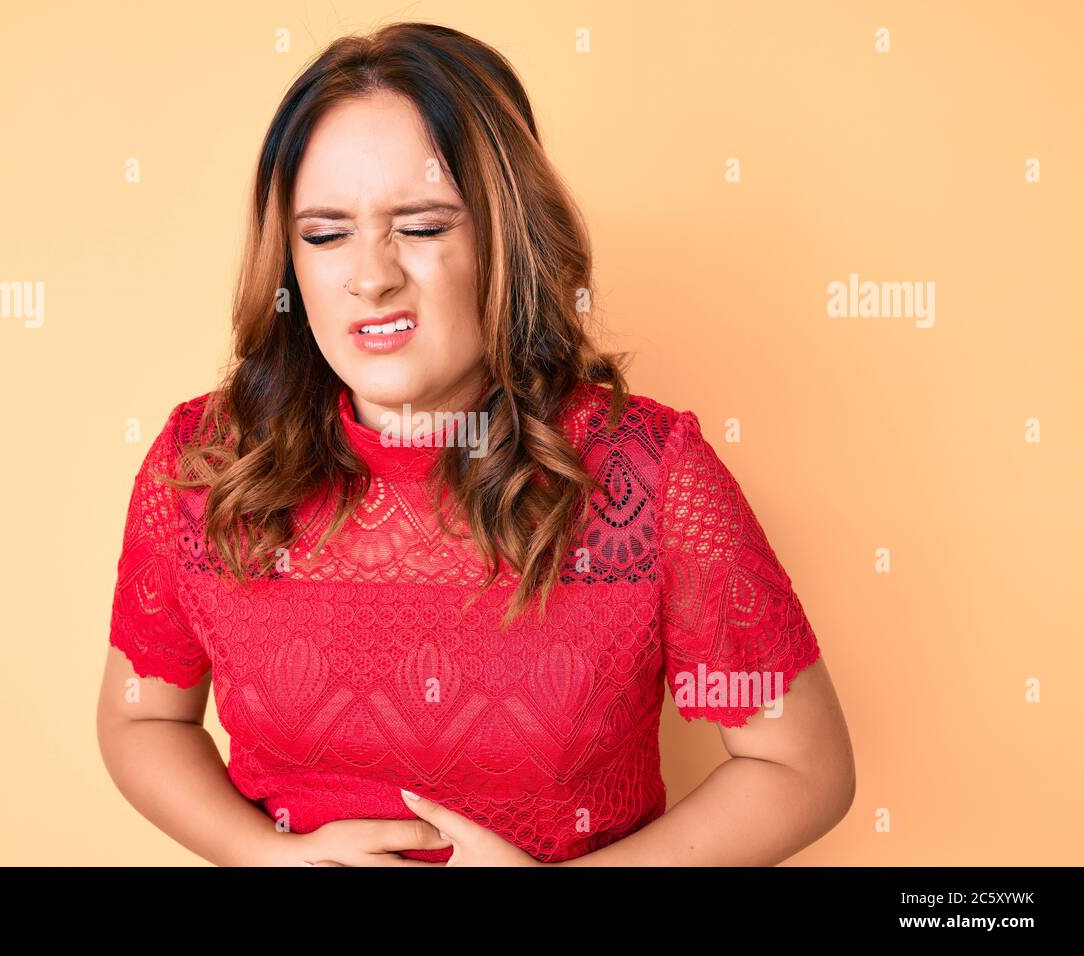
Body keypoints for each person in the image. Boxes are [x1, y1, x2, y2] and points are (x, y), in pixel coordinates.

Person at [96, 21, 854, 867]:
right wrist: (258, 854)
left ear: (507, 239)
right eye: (325, 233)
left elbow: (802, 767)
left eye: (420, 226)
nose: (371, 274)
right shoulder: (203, 466)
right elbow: (144, 717)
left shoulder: (649, 473)